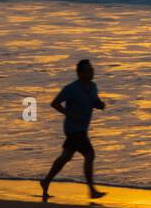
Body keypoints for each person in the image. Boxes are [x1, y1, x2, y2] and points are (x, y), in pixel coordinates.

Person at [40, 59, 107, 200]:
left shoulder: (93, 86)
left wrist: (99, 105)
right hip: (73, 128)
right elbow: (55, 103)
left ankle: (46, 181)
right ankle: (92, 190)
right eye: (89, 69)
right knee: (89, 155)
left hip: (82, 128)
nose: (92, 71)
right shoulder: (71, 88)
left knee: (66, 157)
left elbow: (93, 101)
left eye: (92, 68)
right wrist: (68, 113)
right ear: (80, 73)